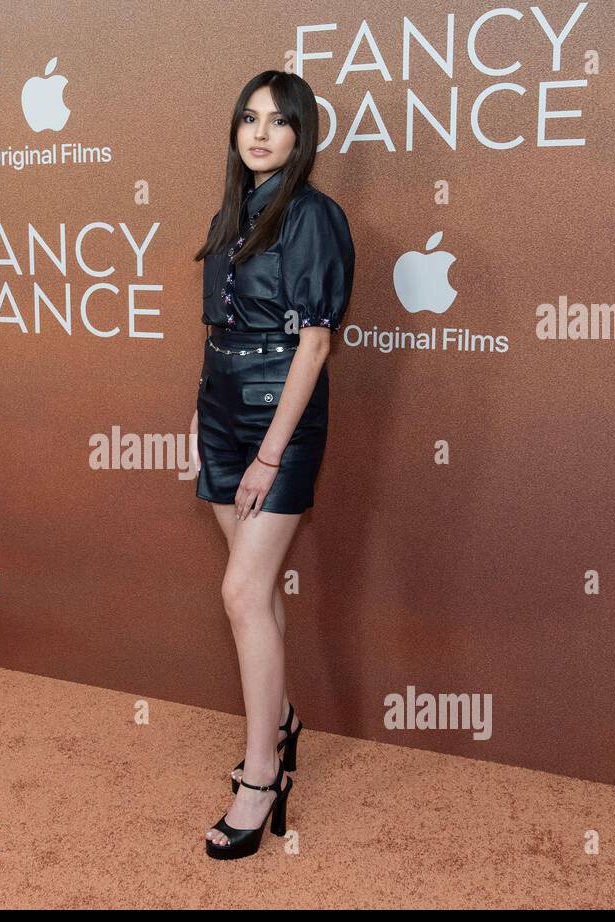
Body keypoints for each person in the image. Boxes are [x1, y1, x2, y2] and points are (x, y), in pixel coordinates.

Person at [190, 70, 356, 859]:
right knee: (256, 593)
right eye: (248, 119)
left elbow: (315, 343)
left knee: (241, 591)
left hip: (277, 419)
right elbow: (215, 328)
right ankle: (283, 721)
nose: (260, 133)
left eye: (278, 121)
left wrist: (267, 452)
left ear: (301, 135)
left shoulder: (315, 218)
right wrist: (202, 414)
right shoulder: (230, 215)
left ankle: (263, 779)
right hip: (221, 412)